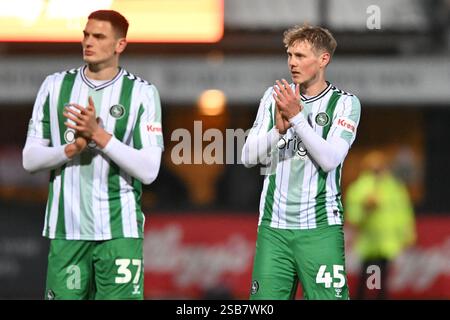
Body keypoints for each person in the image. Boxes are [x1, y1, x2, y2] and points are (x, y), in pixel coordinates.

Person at [22, 10, 164, 300]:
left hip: (119, 231)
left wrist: (99, 137)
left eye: (99, 36)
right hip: (66, 229)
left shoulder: (142, 93)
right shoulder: (54, 86)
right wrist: (71, 149)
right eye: (86, 34)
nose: (88, 41)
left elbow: (149, 170)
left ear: (119, 45)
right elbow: (30, 159)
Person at [241, 25, 361, 300]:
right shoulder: (274, 97)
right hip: (274, 228)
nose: (292, 62)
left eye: (301, 56)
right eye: (290, 55)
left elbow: (330, 159)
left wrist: (296, 118)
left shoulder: (345, 104)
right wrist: (277, 131)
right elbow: (248, 157)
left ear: (323, 60)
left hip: (320, 229)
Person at [345, 150, 416, 300]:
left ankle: (377, 296)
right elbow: (353, 216)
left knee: (381, 278)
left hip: (387, 242)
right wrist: (366, 208)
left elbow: (404, 213)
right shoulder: (359, 188)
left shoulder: (394, 187)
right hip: (369, 242)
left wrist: (407, 234)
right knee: (369, 277)